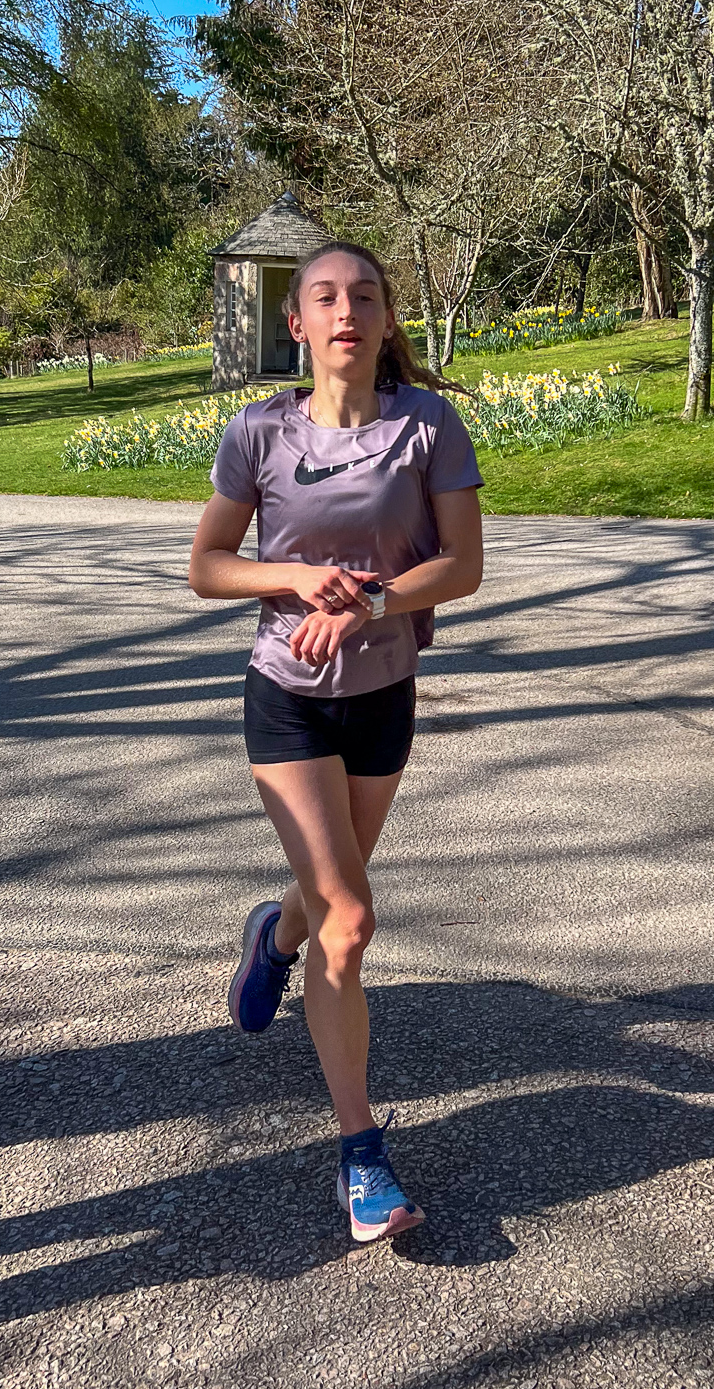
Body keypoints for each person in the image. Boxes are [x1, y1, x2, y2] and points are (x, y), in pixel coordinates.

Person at [188, 242, 484, 1243]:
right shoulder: (259, 432)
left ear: (388, 318)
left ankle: (273, 936)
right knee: (351, 918)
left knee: (323, 899)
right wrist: (291, 577)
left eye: (365, 295)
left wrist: (373, 600)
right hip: (286, 697)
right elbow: (208, 567)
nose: (347, 309)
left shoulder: (429, 425)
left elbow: (465, 564)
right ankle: (361, 1154)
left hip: (382, 693)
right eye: (325, 297)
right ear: (298, 325)